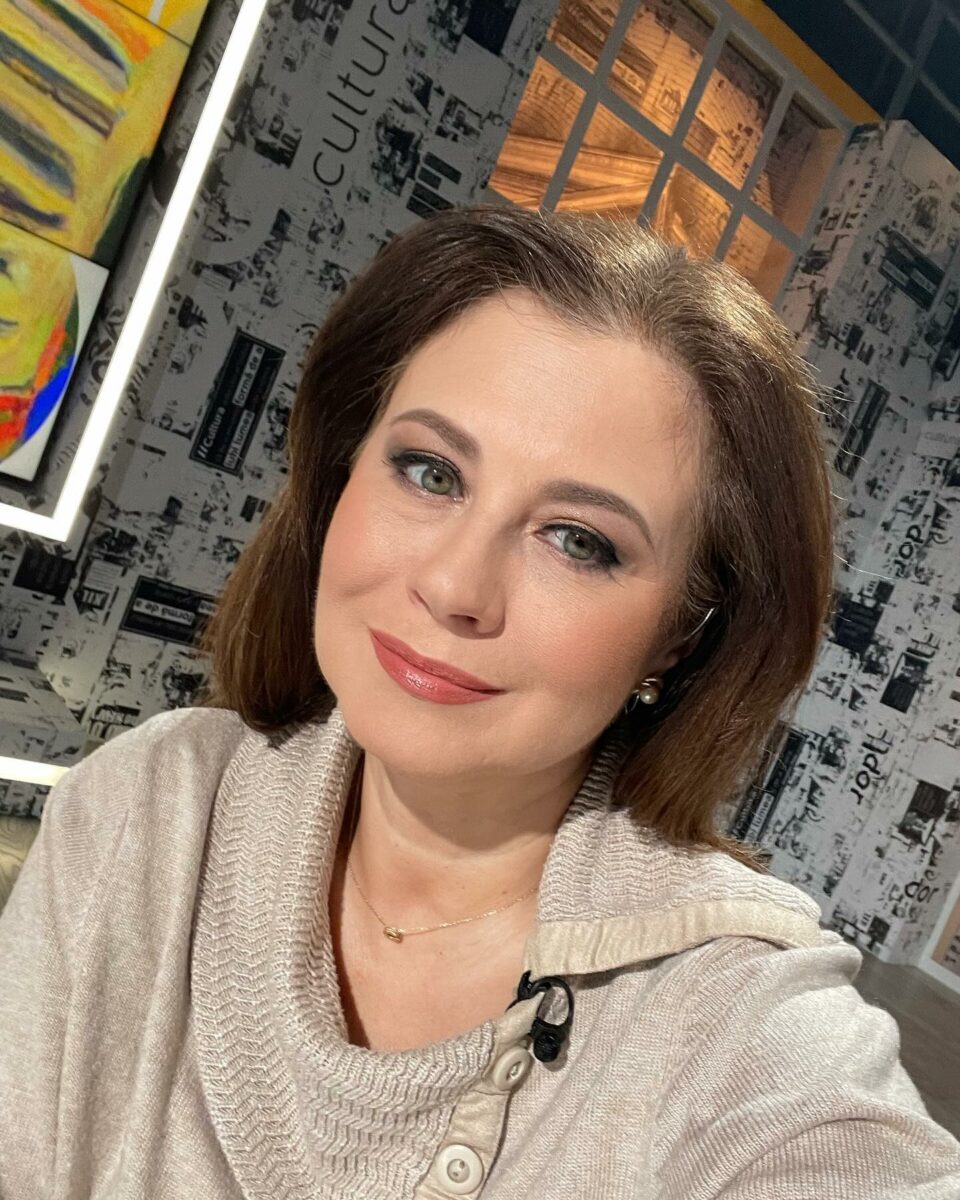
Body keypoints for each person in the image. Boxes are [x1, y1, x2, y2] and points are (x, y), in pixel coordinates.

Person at [1, 204, 958, 1199]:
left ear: (681, 636)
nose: (456, 585)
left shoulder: (736, 1021)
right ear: (340, 473)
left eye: (578, 540)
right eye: (431, 472)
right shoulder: (147, 808)